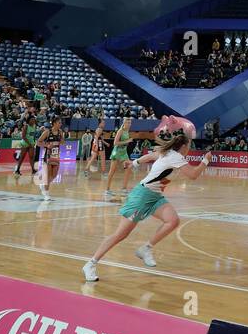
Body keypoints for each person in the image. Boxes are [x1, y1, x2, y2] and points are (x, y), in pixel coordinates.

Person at [82, 117, 210, 277]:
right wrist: (205, 160)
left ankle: (146, 248)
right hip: (142, 196)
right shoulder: (176, 157)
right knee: (120, 235)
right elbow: (193, 175)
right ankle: (91, 263)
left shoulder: (167, 153)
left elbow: (149, 157)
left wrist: (133, 164)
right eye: (189, 145)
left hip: (155, 196)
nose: (190, 148)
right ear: (183, 146)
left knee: (173, 220)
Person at [33, 118, 65, 201]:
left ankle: (43, 185)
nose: (60, 124)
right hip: (48, 155)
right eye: (59, 122)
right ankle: (46, 194)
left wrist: (62, 139)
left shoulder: (60, 132)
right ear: (54, 123)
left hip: (56, 155)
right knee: (48, 175)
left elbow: (62, 142)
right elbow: (38, 142)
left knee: (54, 175)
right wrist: (47, 145)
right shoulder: (47, 132)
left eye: (61, 123)